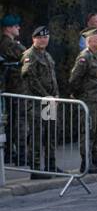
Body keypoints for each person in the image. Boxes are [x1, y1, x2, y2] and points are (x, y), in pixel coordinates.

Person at [68, 28, 97, 173]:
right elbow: (74, 79)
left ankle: (95, 159)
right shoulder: (84, 57)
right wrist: (80, 95)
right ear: (90, 41)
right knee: (88, 132)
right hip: (89, 101)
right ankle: (85, 162)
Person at [21, 25, 59, 178]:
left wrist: (56, 95)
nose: (43, 40)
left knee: (50, 134)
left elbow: (53, 78)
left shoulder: (46, 55)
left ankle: (51, 165)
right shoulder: (30, 55)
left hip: (49, 101)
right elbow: (31, 80)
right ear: (33, 39)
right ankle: (36, 169)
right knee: (37, 135)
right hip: (37, 102)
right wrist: (46, 96)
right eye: (40, 37)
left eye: (46, 37)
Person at [0, 13, 23, 165]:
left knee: (13, 121)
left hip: (14, 87)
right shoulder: (7, 43)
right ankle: (12, 152)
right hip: (13, 87)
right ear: (8, 28)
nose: (19, 28)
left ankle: (10, 151)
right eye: (15, 26)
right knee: (15, 122)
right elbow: (25, 55)